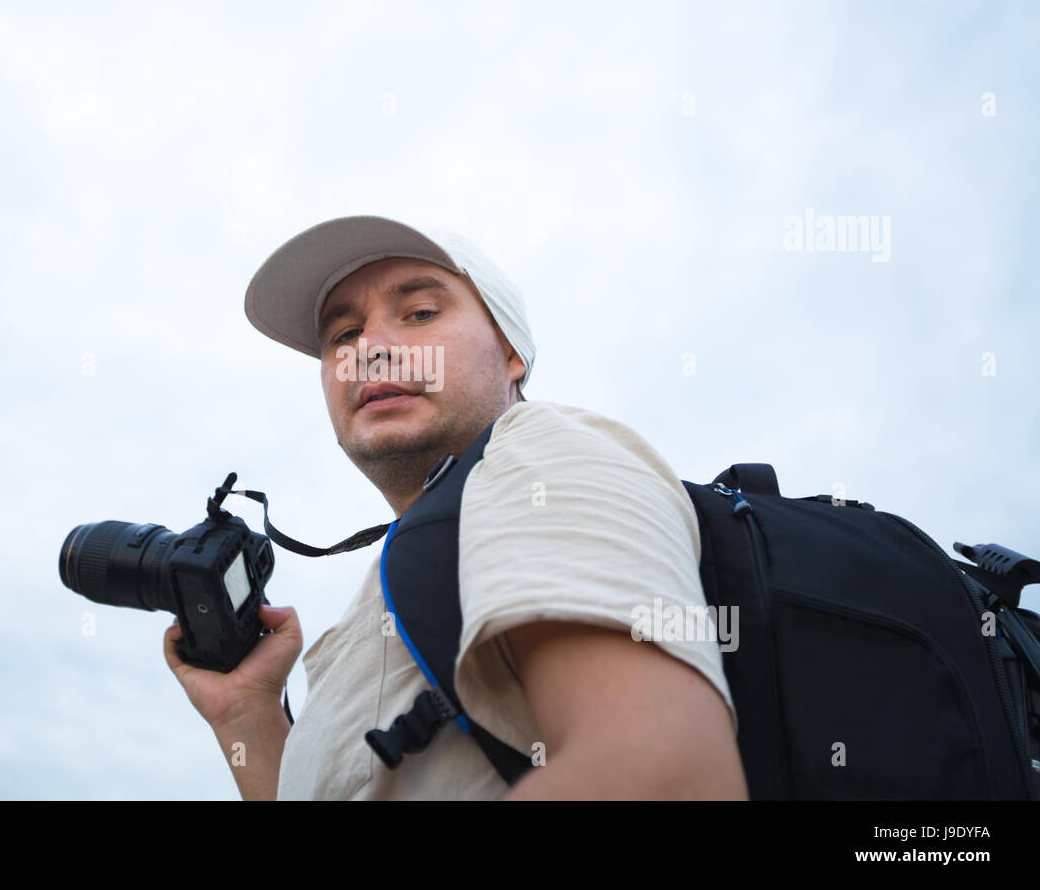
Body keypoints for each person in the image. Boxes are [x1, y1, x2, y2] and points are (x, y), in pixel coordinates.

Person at [163, 215, 748, 800]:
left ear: (512, 352)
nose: (366, 349)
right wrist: (247, 714)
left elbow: (661, 776)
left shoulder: (534, 448)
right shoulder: (394, 585)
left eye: (420, 313)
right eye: (342, 335)